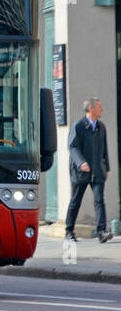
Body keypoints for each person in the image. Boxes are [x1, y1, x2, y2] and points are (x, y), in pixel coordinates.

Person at [66, 97, 113, 243]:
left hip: (98, 171)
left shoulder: (101, 127)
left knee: (99, 200)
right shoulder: (78, 126)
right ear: (91, 109)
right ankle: (69, 231)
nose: (102, 109)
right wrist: (81, 163)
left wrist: (107, 167)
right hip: (80, 172)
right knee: (76, 201)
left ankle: (102, 232)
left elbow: (104, 149)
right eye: (99, 107)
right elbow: (72, 147)